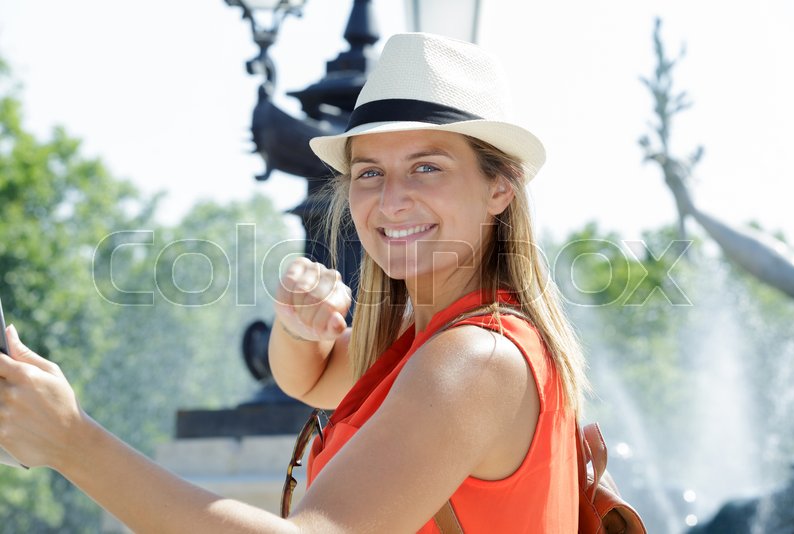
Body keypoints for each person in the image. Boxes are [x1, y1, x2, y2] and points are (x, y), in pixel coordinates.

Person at [0, 33, 588, 532]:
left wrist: (73, 443)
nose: (391, 199)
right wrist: (298, 326)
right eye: (369, 172)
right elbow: (307, 379)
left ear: (499, 188)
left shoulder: (474, 358)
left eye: (427, 166)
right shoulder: (427, 335)